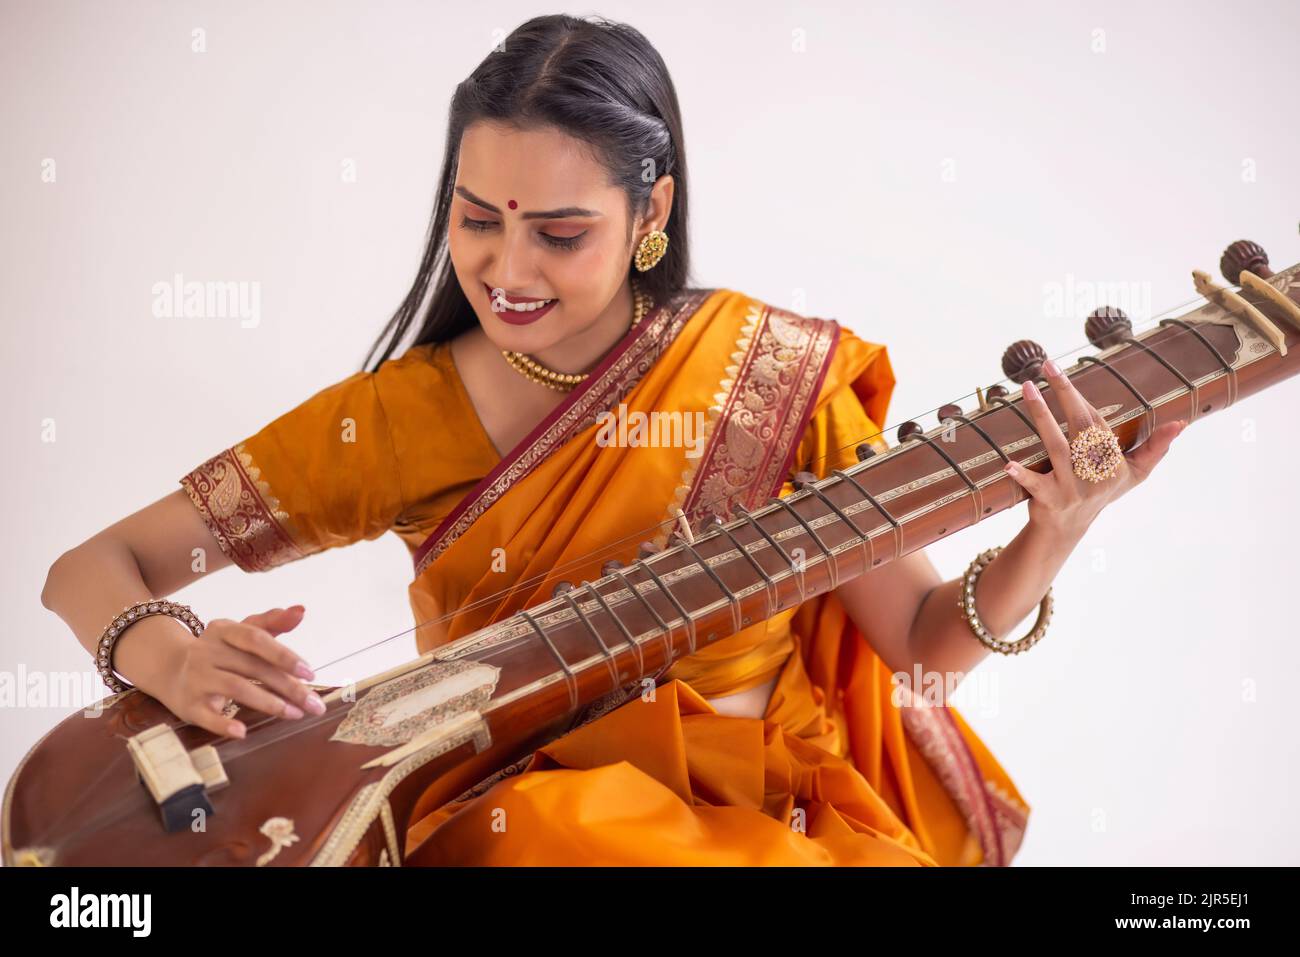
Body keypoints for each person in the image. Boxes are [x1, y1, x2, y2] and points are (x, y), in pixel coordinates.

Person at [40, 14, 1187, 867]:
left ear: (651, 217)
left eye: (560, 232)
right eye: (476, 219)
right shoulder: (399, 418)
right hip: (523, 817)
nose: (505, 269)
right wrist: (167, 655)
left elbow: (925, 651)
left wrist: (1054, 529)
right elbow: (87, 569)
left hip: (768, 821)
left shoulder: (766, 376)